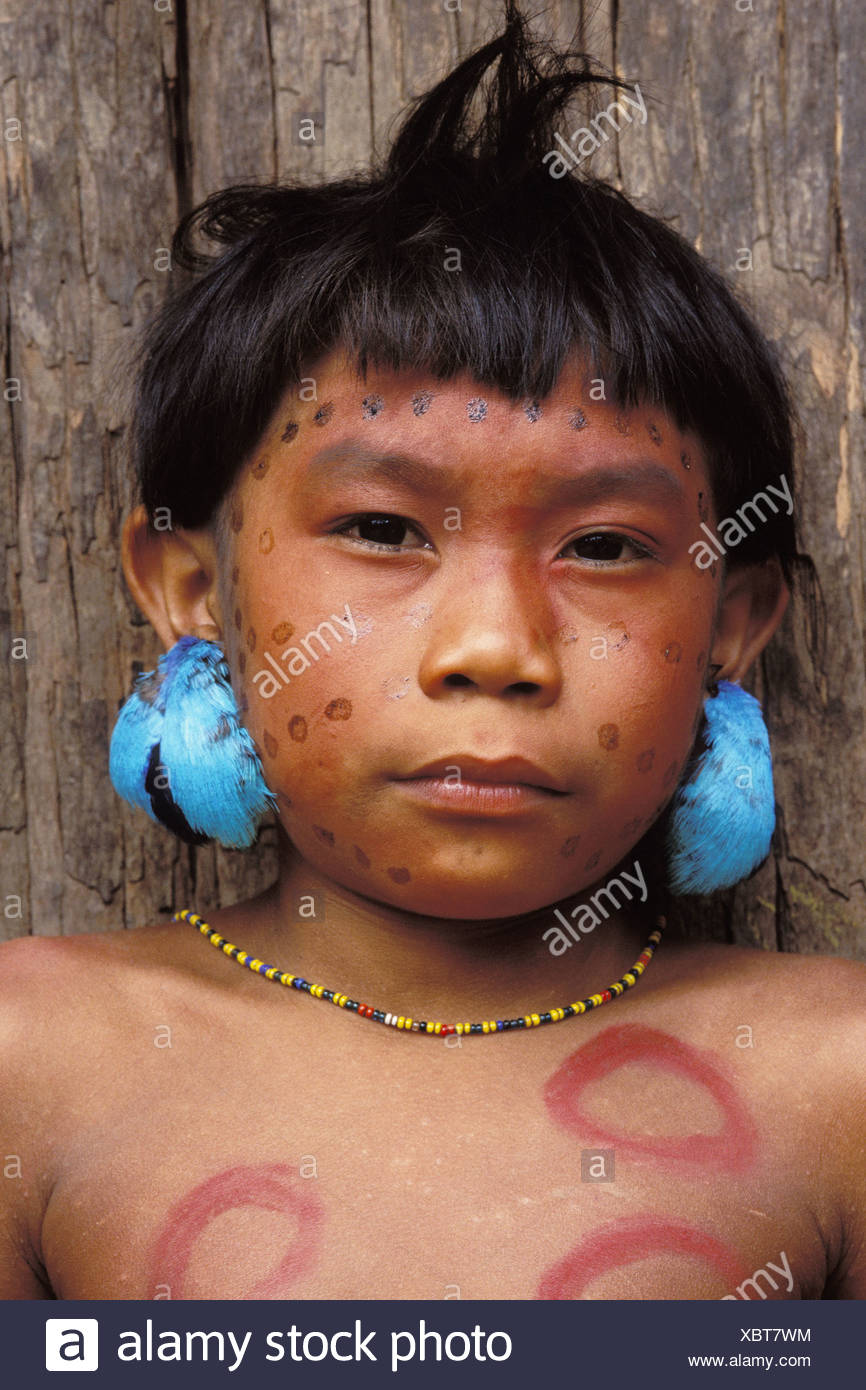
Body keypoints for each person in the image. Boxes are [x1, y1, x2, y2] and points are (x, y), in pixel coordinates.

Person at [1, 1, 863, 1302]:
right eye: (383, 526)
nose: (493, 649)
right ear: (192, 587)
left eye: (607, 547)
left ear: (732, 623)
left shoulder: (833, 1078)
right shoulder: (32, 1061)